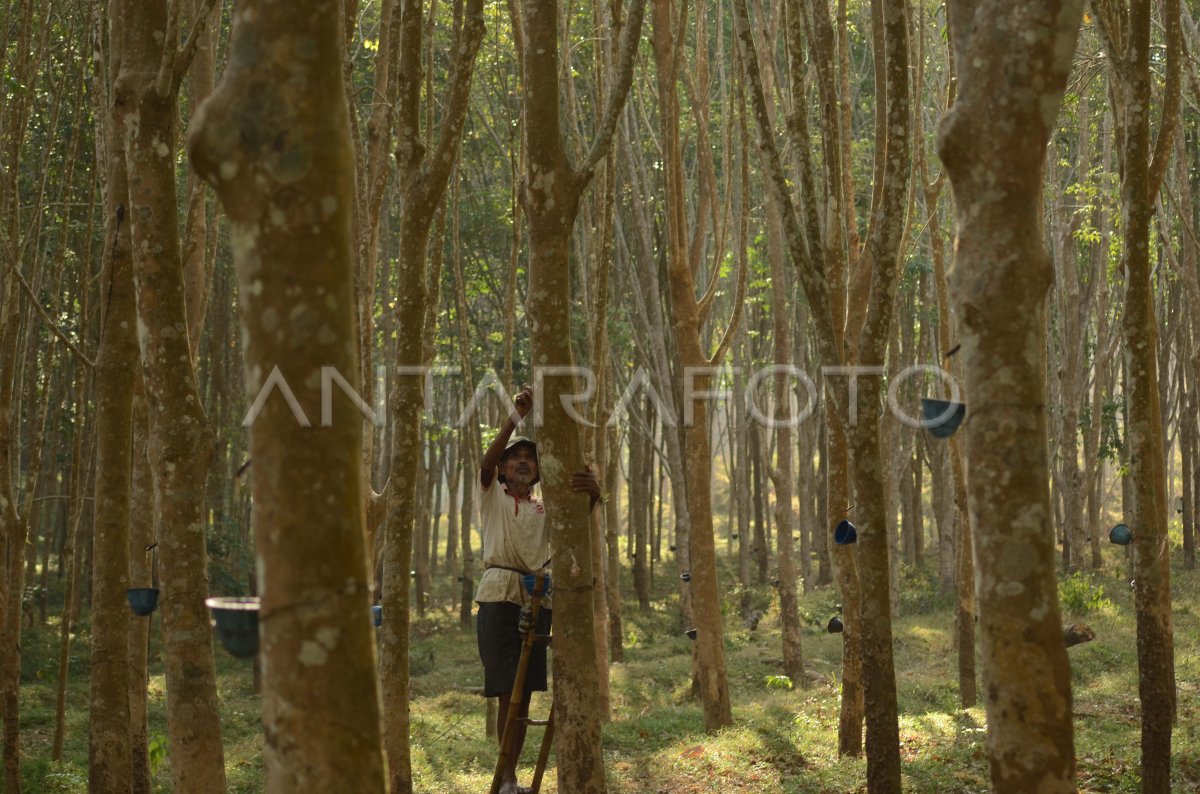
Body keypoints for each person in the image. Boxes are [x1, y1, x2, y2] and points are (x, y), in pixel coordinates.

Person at [476, 385, 600, 794]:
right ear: (503, 468)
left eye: (530, 458)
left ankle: (513, 776)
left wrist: (593, 495)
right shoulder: (492, 496)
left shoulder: (545, 506)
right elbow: (486, 463)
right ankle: (507, 777)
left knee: (525, 693)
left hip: (536, 597)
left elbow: (574, 526)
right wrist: (517, 416)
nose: (522, 462)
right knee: (506, 689)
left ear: (539, 470)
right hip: (498, 597)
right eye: (515, 457)